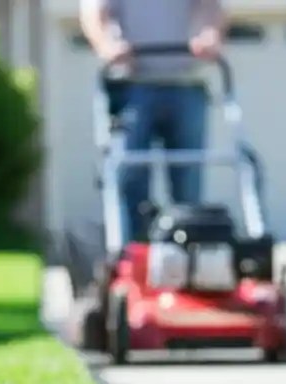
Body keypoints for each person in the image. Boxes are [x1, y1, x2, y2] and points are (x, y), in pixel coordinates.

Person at [80, 0, 226, 244]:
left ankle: (189, 253)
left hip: (185, 83)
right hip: (132, 85)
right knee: (129, 175)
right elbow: (94, 11)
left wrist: (209, 35)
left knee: (189, 179)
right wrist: (107, 45)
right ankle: (132, 253)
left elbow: (212, 6)